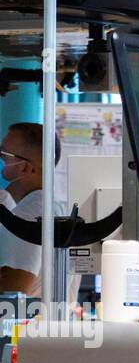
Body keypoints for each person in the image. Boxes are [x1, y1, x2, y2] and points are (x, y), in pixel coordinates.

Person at [0, 122, 63, 297]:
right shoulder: (48, 206)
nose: (1, 161)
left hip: (25, 321)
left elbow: (13, 291)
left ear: (27, 167)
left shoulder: (29, 215)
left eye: (4, 156)